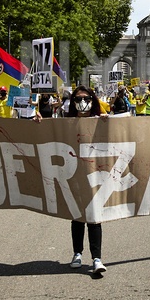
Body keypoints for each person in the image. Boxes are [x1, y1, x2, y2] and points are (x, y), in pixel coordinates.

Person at [60, 85, 109, 274]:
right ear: (72, 102)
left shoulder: (100, 121)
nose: (82, 103)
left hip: (96, 175)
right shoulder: (65, 122)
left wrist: (106, 121)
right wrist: (38, 123)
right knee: (78, 216)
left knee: (94, 217)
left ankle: (97, 258)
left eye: (86, 99)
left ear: (92, 101)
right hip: (74, 175)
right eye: (78, 99)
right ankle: (77, 254)